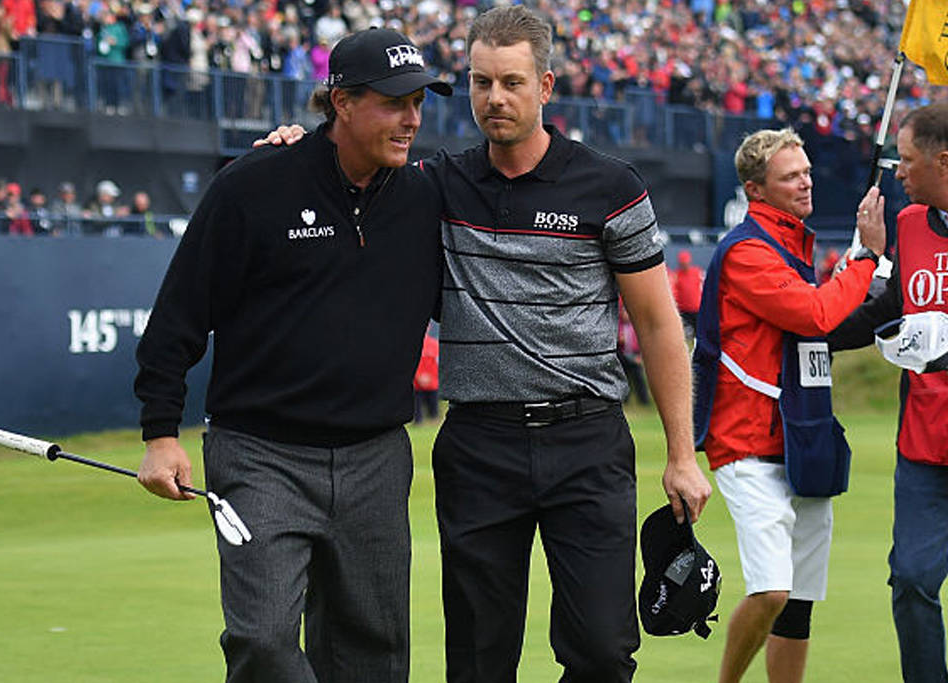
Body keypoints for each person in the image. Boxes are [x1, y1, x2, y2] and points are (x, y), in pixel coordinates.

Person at [261, 8, 711, 681]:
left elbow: (657, 325)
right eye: (479, 83)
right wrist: (301, 148)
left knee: (602, 652)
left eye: (510, 82)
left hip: (585, 443)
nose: (493, 98)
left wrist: (682, 456)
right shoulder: (433, 186)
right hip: (479, 446)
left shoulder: (612, 187)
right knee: (477, 661)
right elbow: (345, 170)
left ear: (546, 86)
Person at [134, 28, 451, 683]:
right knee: (264, 639)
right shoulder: (252, 186)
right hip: (260, 455)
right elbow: (178, 316)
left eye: (419, 102)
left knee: (374, 652)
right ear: (341, 101)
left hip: (376, 458)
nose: (412, 119)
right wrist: (160, 433)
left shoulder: (424, 198)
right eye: (394, 103)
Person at [692, 127, 886, 683]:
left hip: (803, 437)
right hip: (749, 441)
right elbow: (814, 315)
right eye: (790, 176)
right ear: (757, 190)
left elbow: (827, 322)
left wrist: (866, 272)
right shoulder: (749, 251)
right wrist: (867, 259)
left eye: (805, 171)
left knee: (797, 602)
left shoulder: (793, 247)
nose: (805, 182)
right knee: (774, 589)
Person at [827, 102, 948, 683]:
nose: (898, 170)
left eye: (908, 158)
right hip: (923, 446)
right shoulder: (910, 225)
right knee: (912, 580)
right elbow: (887, 310)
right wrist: (815, 330)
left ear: (943, 160)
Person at [672, 249, 703, 337]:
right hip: (683, 310)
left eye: (685, 262)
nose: (684, 265)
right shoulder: (677, 275)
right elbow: (675, 291)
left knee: (699, 333)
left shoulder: (697, 272)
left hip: (696, 309)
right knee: (683, 334)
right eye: (682, 263)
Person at [413, 327, 440, 423]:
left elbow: (439, 364)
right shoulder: (412, 344)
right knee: (417, 416)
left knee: (434, 414)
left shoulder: (434, 344)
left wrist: (431, 377)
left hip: (432, 383)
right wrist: (418, 376)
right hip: (416, 384)